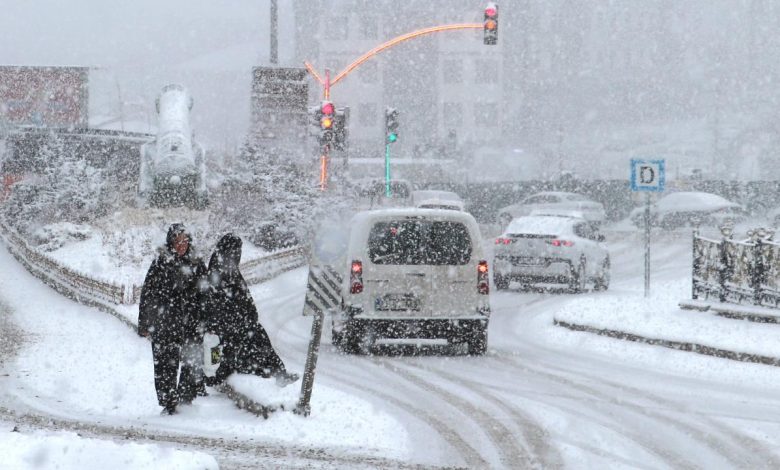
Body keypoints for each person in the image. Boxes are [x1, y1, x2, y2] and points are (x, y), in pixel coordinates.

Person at [204, 233, 299, 387]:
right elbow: (216, 306)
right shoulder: (216, 274)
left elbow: (244, 299)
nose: (236, 255)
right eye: (234, 251)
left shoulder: (232, 272)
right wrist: (234, 322)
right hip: (223, 328)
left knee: (258, 338)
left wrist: (249, 316)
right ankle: (262, 374)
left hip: (238, 324)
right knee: (241, 345)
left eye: (238, 251)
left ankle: (277, 373)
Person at [138, 223, 208, 415]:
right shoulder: (161, 263)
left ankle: (186, 399)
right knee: (165, 364)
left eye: (185, 240)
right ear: (171, 242)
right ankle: (170, 403)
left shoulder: (196, 263)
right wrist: (145, 323)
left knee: (191, 360)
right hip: (165, 323)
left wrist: (206, 318)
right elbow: (148, 294)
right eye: (178, 241)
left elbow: (206, 292)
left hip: (191, 321)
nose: (181, 245)